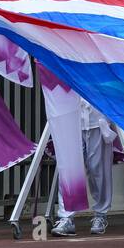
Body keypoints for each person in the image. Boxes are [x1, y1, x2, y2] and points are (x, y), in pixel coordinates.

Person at [52, 98, 115, 237]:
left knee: (98, 170)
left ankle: (101, 214)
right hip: (69, 119)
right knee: (69, 170)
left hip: (98, 119)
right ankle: (66, 217)